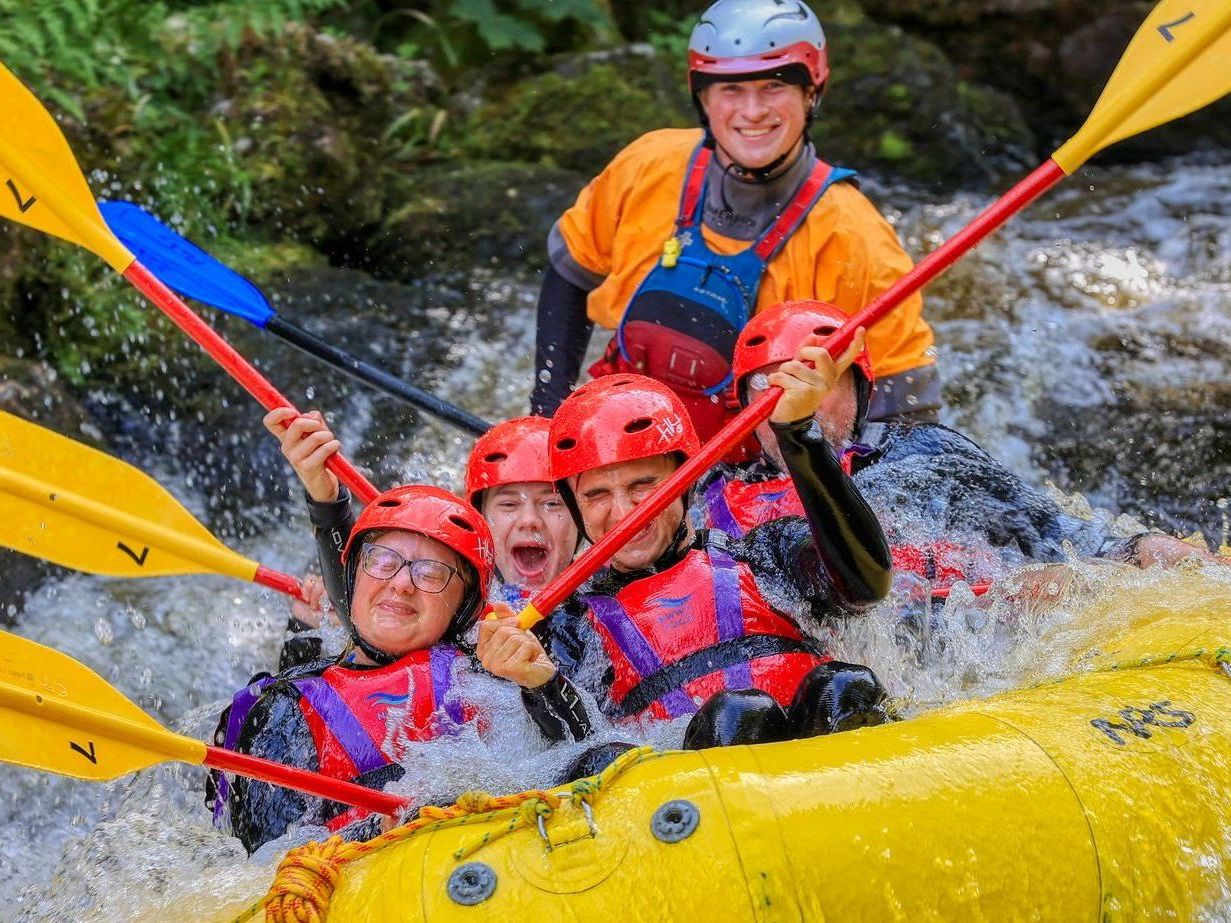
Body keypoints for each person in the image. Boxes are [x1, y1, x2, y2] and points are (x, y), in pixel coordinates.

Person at [531, 0, 937, 448]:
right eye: (731, 90)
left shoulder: (853, 236)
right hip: (625, 461)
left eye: (774, 86)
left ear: (811, 92)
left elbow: (904, 420)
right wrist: (550, 424)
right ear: (702, 98)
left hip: (759, 483)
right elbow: (571, 274)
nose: (752, 111)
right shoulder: (648, 165)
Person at [207, 420, 592, 855]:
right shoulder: (283, 709)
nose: (402, 585)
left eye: (432, 573)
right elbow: (261, 870)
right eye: (382, 561)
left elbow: (587, 762)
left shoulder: (493, 681)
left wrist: (545, 683)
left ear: (463, 607)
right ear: (353, 578)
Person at [705, 300, 1226, 577]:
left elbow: (1065, 538)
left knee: (1083, 574)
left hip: (958, 629)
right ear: (744, 408)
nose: (799, 401)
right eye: (768, 386)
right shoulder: (707, 499)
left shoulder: (924, 457)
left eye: (821, 383)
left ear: (862, 391)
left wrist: (1144, 552)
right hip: (799, 676)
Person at [540, 371, 894, 751]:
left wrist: (801, 437)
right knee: (738, 717)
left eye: (642, 485)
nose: (623, 511)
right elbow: (577, 749)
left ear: (687, 481)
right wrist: (537, 683)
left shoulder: (766, 554)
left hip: (833, 767)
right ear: (575, 510)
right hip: (702, 793)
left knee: (846, 687)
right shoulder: (571, 623)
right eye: (596, 495)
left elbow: (865, 586)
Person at [464, 416, 580, 606]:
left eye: (552, 503)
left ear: (580, 521)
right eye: (509, 504)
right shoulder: (454, 606)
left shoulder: (611, 595)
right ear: (481, 521)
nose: (529, 520)